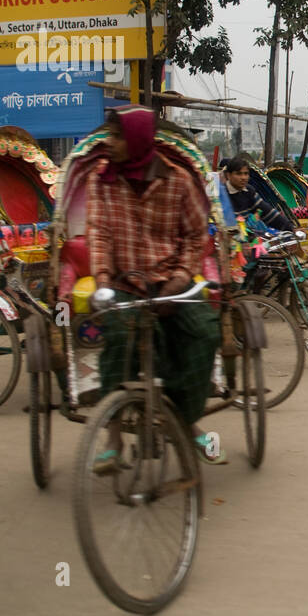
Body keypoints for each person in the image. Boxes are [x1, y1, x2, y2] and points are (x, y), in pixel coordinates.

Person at [86, 106, 225, 468]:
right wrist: (102, 282)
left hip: (171, 282)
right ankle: (113, 437)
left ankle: (184, 418)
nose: (110, 143)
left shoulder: (178, 180)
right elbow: (98, 236)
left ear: (135, 140)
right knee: (118, 340)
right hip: (125, 284)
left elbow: (196, 236)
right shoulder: (101, 181)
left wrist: (180, 277)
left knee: (204, 334)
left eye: (116, 136)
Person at [220, 157, 293, 233]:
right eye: (238, 174)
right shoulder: (221, 194)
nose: (243, 177)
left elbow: (268, 212)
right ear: (228, 175)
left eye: (246, 174)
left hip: (247, 238)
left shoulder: (249, 191)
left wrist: (291, 228)